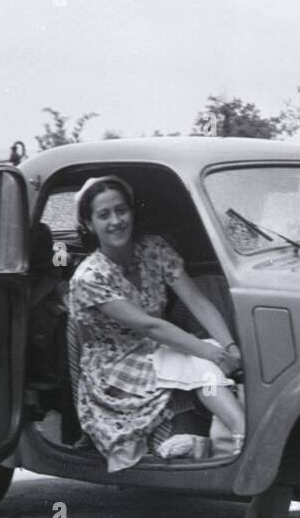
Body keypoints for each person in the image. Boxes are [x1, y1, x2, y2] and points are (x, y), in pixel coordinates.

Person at [68, 175, 245, 471]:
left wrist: (229, 347)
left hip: (160, 351)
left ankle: (225, 440)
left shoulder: (153, 249)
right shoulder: (89, 278)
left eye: (121, 210)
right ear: (88, 224)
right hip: (118, 368)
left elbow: (197, 301)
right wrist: (212, 353)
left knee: (209, 356)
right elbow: (151, 327)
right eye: (104, 215)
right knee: (202, 360)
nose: (116, 221)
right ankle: (244, 433)